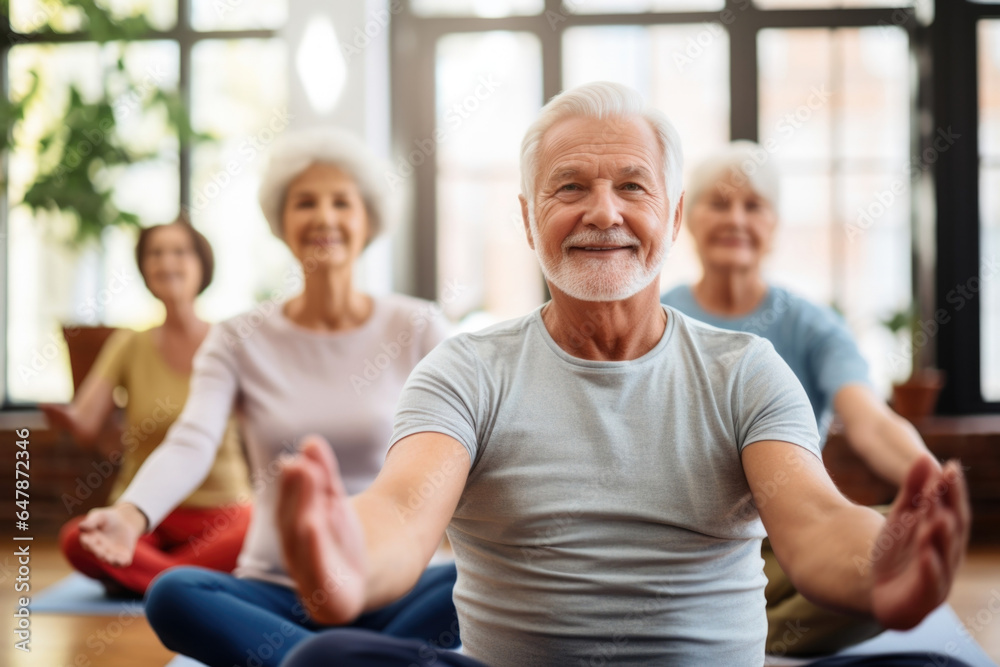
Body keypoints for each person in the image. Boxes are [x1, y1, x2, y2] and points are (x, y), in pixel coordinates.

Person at [274, 82, 970, 667]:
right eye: (569, 187)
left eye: (631, 186)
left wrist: (880, 563)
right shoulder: (465, 369)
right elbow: (400, 509)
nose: (602, 212)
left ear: (669, 216)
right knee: (325, 659)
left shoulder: (745, 371)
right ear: (527, 219)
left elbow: (816, 520)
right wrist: (346, 559)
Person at [72, 128, 459, 667]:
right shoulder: (236, 338)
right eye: (305, 202)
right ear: (281, 224)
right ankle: (347, 659)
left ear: (367, 220)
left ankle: (321, 661)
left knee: (470, 581)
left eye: (340, 201)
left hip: (395, 585)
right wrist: (132, 514)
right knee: (173, 594)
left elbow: (469, 445)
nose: (324, 216)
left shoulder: (418, 326)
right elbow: (193, 439)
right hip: (278, 592)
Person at [661, 141, 939, 655]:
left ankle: (740, 646)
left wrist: (932, 481)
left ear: (775, 224)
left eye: (753, 206)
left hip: (787, 541)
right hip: (681, 543)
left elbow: (870, 421)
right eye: (718, 204)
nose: (735, 219)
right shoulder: (652, 316)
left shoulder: (813, 325)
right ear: (686, 217)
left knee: (898, 547)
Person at [42, 219, 252, 597]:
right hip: (142, 519)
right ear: (143, 269)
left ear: (202, 265)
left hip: (223, 512)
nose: (166, 262)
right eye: (155, 253)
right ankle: (186, 581)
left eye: (179, 251)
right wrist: (66, 418)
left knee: (259, 528)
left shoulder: (230, 342)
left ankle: (157, 578)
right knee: (78, 538)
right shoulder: (129, 344)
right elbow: (87, 424)